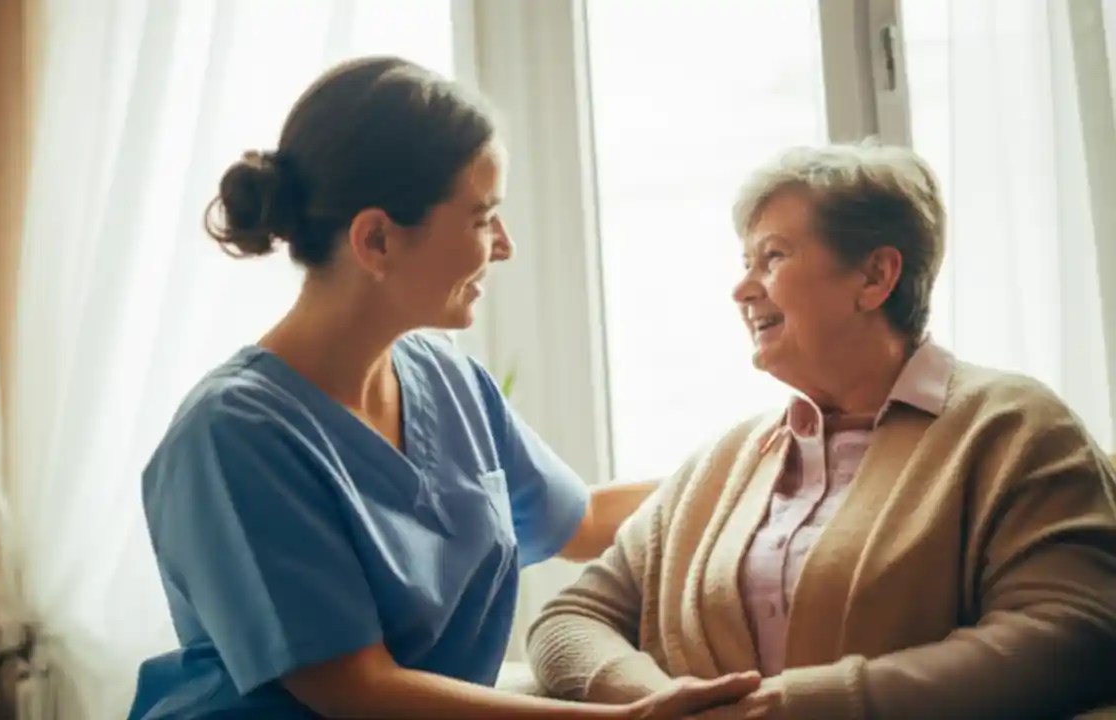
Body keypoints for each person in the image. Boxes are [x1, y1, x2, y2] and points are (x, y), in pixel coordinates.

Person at [127, 56, 764, 720]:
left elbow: (584, 523)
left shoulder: (446, 378)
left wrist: (765, 469)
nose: (505, 245)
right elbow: (358, 690)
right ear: (376, 239)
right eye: (483, 217)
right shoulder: (233, 434)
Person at [526, 143, 1116, 719]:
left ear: (876, 276)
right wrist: (658, 702)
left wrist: (803, 706)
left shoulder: (1013, 425)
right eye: (745, 262)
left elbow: (1070, 634)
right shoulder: (723, 461)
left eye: (773, 257)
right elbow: (568, 620)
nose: (743, 288)